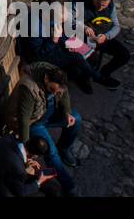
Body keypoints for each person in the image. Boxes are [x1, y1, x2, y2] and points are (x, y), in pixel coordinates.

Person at [7, 62, 82, 194]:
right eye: (53, 90)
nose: (55, 93)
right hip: (33, 121)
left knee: (76, 118)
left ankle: (64, 149)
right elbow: (23, 119)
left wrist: (67, 112)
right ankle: (69, 185)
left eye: (57, 91)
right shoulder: (29, 88)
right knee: (51, 152)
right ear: (46, 79)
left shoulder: (55, 74)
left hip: (46, 112)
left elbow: (64, 94)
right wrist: (25, 148)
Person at [74, 0, 130, 88]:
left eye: (104, 6)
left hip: (101, 36)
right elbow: (69, 20)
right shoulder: (80, 2)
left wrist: (106, 36)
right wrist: (84, 27)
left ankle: (103, 74)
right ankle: (84, 78)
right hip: (80, 38)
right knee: (92, 57)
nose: (100, 8)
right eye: (98, 4)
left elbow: (116, 26)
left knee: (124, 55)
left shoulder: (110, 6)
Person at [0, 133, 60, 197]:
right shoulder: (19, 170)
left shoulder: (8, 138)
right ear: (35, 156)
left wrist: (24, 162)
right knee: (52, 190)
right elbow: (21, 192)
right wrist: (39, 182)